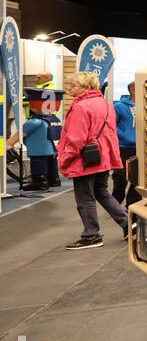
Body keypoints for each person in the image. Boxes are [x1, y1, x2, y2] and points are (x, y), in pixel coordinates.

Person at [58, 71, 127, 250]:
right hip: (102, 157)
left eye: (73, 85)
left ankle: (91, 235)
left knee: (85, 198)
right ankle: (129, 224)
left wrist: (65, 158)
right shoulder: (104, 103)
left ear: (85, 86)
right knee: (102, 192)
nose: (69, 89)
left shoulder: (80, 107)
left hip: (85, 159)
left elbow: (76, 138)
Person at [21, 88, 62, 190]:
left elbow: (21, 133)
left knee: (38, 164)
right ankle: (54, 179)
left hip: (38, 150)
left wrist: (9, 143)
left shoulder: (34, 122)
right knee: (52, 163)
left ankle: (40, 181)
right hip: (53, 149)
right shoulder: (54, 119)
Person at [111, 82, 138, 206]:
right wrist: (121, 136)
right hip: (123, 147)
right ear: (133, 90)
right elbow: (111, 125)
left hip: (139, 148)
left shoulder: (145, 105)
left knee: (137, 179)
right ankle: (115, 203)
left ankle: (132, 204)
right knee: (120, 177)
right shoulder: (119, 106)